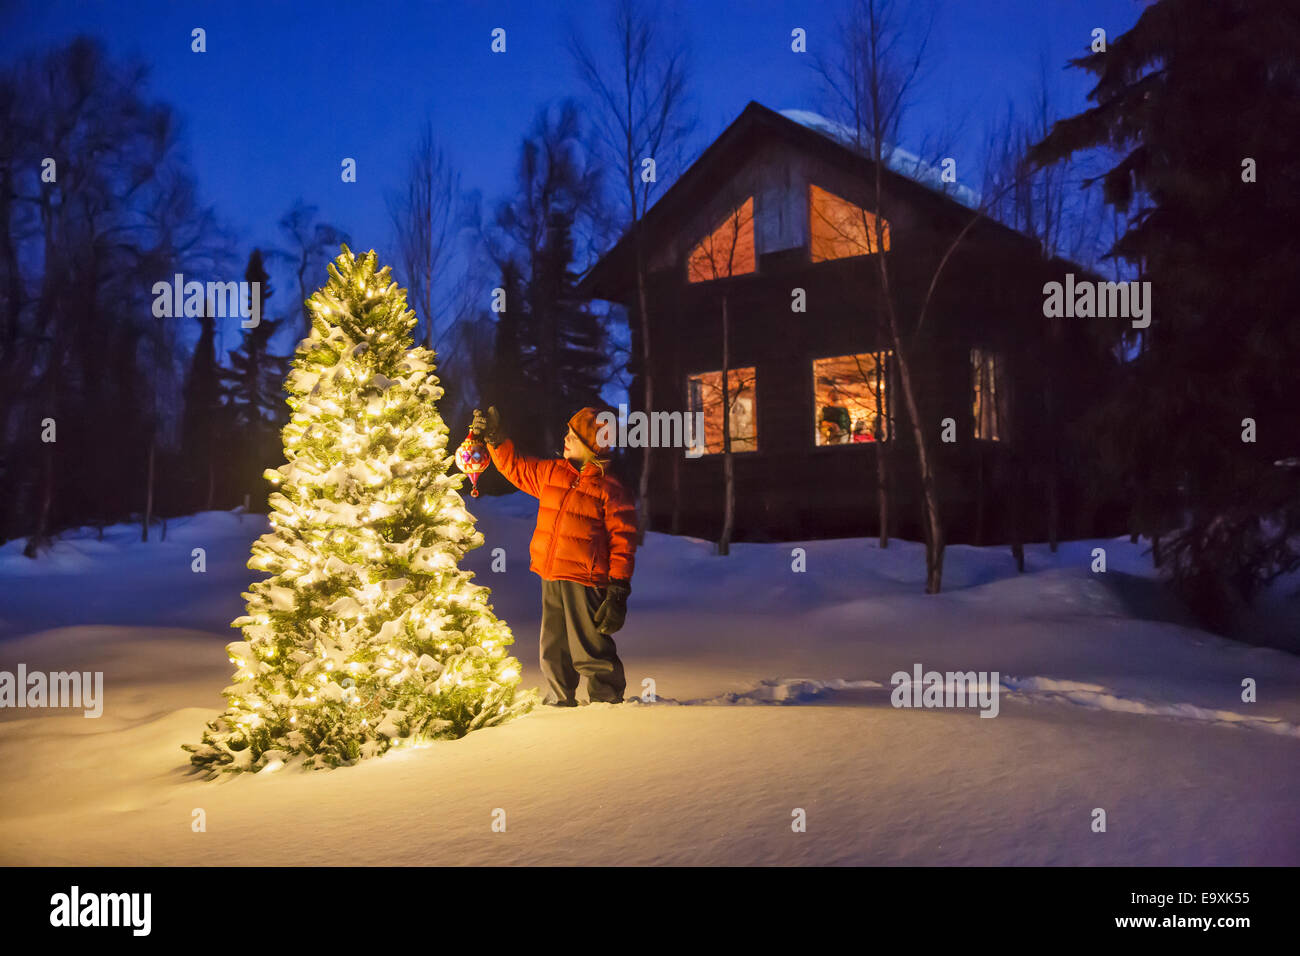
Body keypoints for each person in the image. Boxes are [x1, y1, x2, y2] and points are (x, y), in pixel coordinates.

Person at [469, 405, 637, 706]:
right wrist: (496, 439)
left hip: (585, 580)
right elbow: (516, 467)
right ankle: (560, 700)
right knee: (553, 646)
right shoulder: (552, 473)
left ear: (591, 444)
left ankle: (607, 700)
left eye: (572, 435)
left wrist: (618, 587)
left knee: (590, 645)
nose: (566, 438)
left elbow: (623, 541)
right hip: (551, 573)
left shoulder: (609, 490)